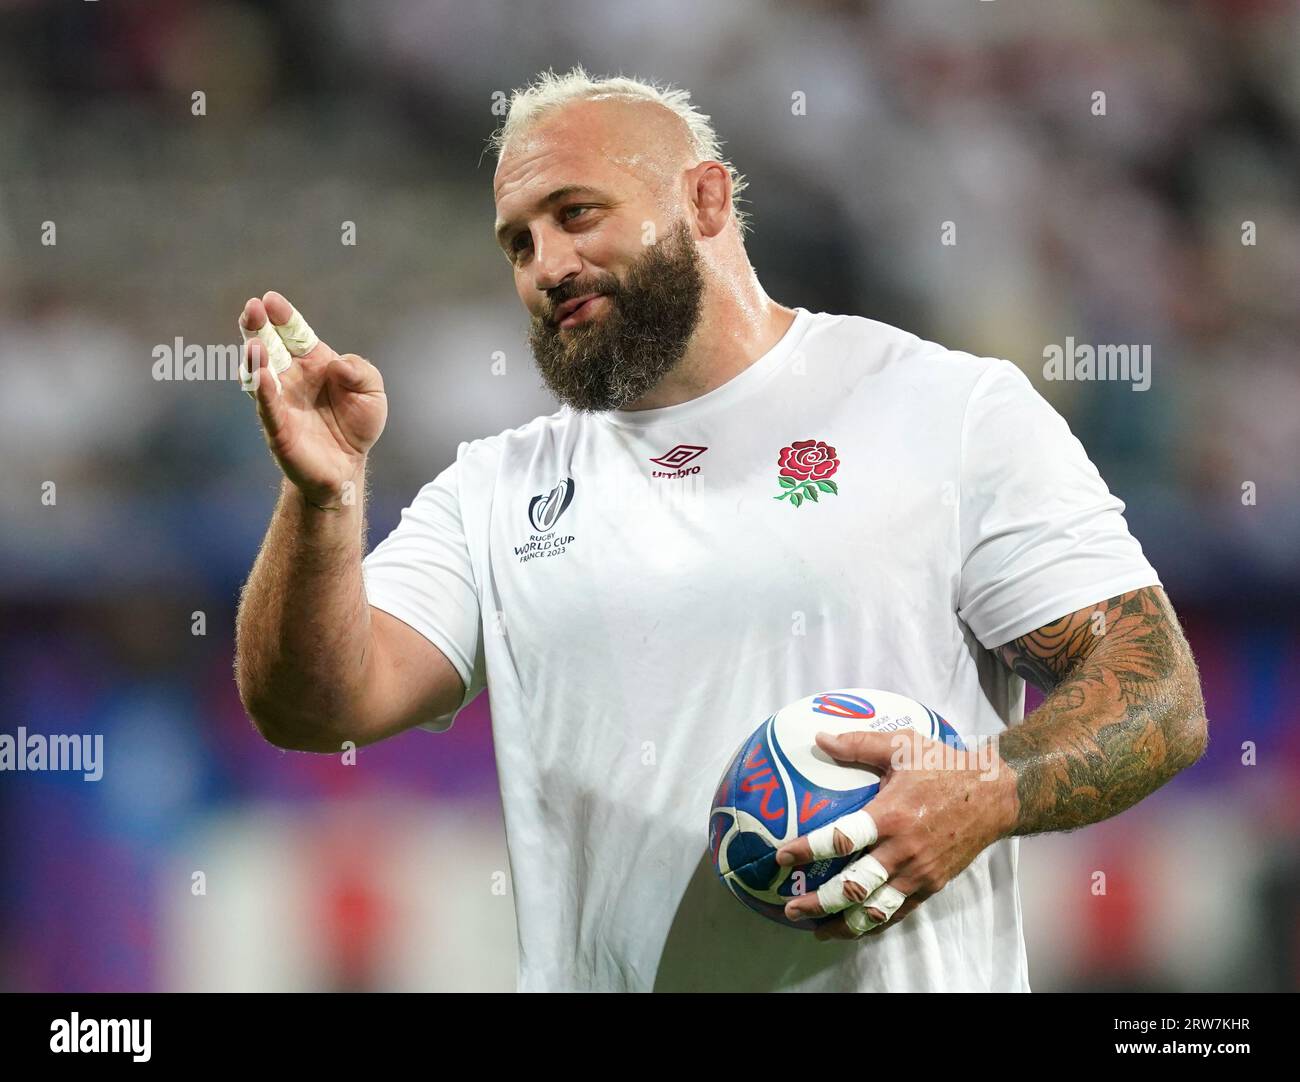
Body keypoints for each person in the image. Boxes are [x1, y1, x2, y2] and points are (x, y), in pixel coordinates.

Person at [234, 67, 1208, 992]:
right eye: (518, 243)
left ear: (704, 201)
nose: (548, 266)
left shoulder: (943, 409)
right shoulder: (496, 489)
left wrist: (986, 790)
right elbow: (313, 706)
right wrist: (319, 501)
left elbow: (1157, 691)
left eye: (576, 212)